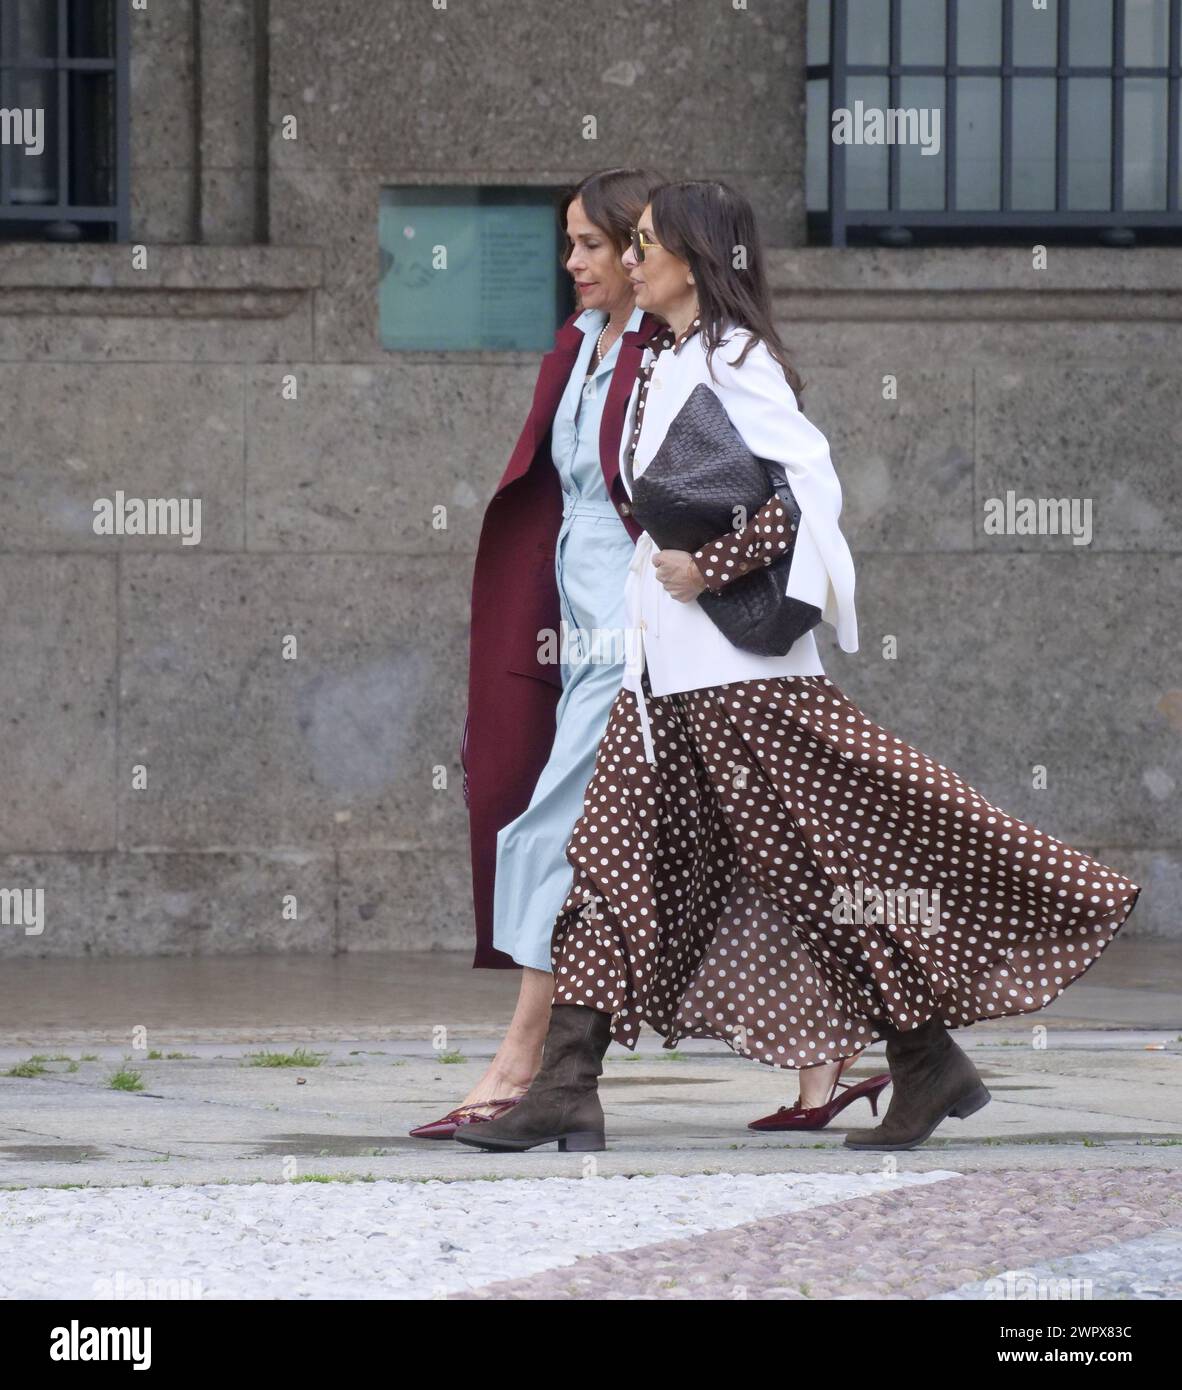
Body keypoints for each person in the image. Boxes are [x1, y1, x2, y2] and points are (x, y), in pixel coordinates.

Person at [456, 180, 1141, 1155]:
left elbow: (810, 489)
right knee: (606, 867)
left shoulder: (737, 359)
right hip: (667, 684)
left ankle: (922, 1055)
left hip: (741, 682)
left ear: (692, 260)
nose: (629, 258)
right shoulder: (668, 358)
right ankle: (570, 1084)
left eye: (644, 245)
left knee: (829, 874)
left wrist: (713, 564)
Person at [410, 169, 664, 1139]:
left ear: (639, 249)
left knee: (546, 828)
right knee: (746, 846)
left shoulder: (670, 351)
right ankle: (861, 1060)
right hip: (568, 619)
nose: (572, 265)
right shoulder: (583, 345)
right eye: (569, 245)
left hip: (636, 632)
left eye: (590, 246)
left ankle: (523, 1064)